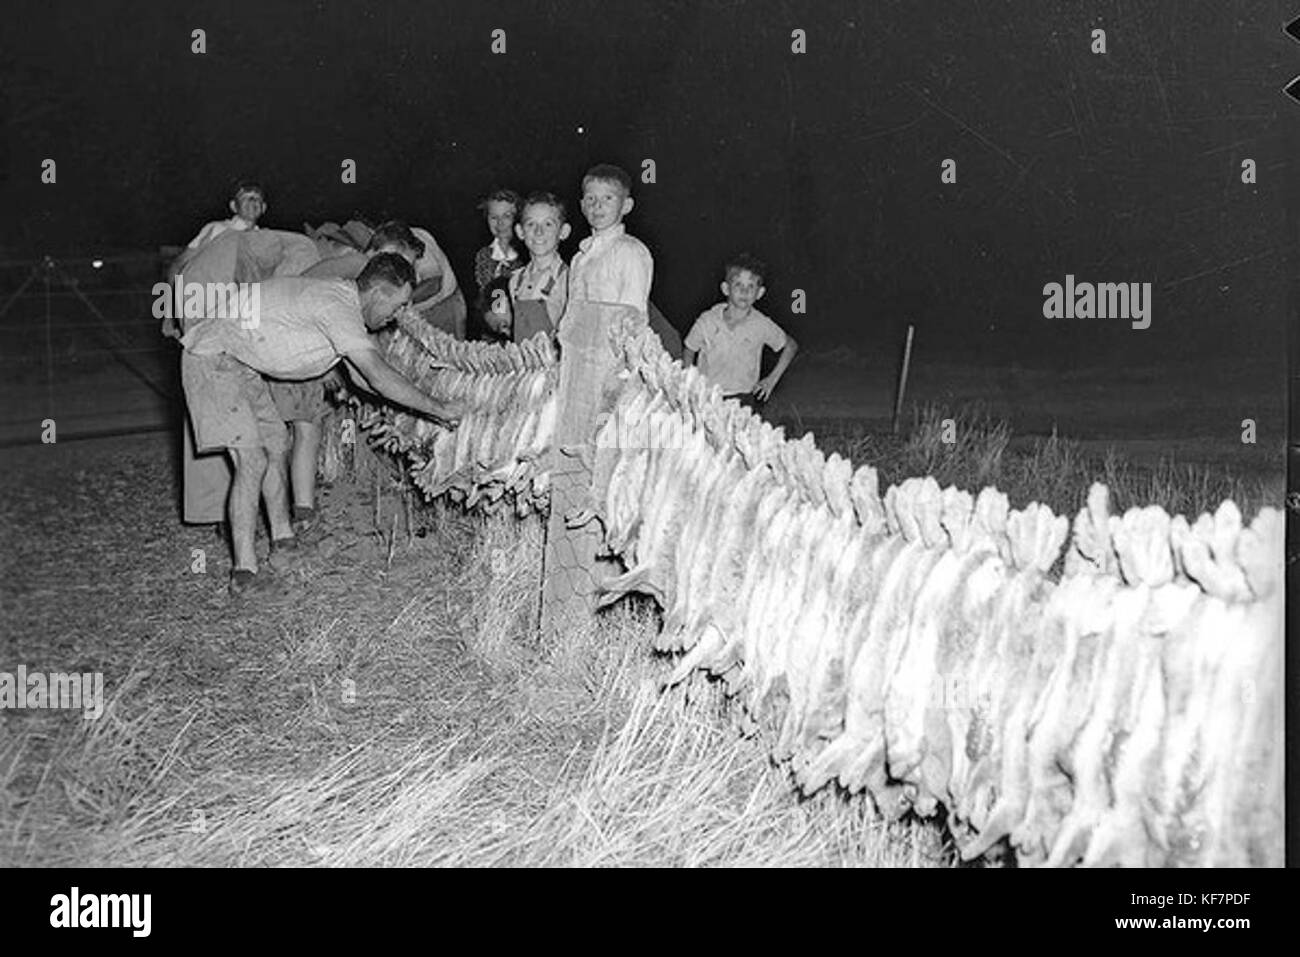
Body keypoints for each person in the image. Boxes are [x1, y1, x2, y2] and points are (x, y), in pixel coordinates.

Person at [180, 254, 459, 596]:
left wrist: (420, 413)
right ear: (378, 294)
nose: (396, 316)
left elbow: (363, 379)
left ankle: (283, 543)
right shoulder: (337, 307)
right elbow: (377, 376)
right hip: (212, 359)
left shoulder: (344, 302)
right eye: (398, 304)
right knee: (250, 461)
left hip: (241, 362)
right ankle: (245, 573)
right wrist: (439, 408)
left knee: (277, 446)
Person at [278, 221, 426, 536]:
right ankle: (296, 511)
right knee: (302, 426)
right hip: (300, 343)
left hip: (314, 341)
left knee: (311, 424)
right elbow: (307, 291)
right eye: (399, 261)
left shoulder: (362, 275)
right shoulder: (356, 266)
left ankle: (302, 506)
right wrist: (329, 362)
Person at [683, 253, 798, 412]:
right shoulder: (707, 321)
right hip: (708, 396)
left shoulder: (761, 324)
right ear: (725, 289)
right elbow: (690, 348)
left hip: (743, 400)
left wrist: (771, 381)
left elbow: (790, 346)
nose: (744, 292)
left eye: (751, 286)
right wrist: (688, 382)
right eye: (738, 285)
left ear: (759, 293)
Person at [565, 164, 653, 329]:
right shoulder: (579, 258)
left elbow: (633, 315)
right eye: (591, 198)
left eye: (608, 198)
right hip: (579, 350)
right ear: (582, 206)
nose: (597, 205)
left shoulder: (630, 251)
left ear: (626, 206)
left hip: (612, 350)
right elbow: (572, 312)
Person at [497, 191, 571, 342]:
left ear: (563, 232)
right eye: (531, 224)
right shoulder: (515, 281)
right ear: (520, 231)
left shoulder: (569, 279)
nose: (539, 232)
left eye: (548, 224)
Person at [185, 181, 267, 251]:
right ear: (234, 206)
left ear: (263, 207)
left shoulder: (267, 238)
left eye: (257, 198)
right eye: (245, 197)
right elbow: (187, 258)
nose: (252, 201)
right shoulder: (216, 229)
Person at [472, 189, 524, 293]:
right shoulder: (483, 255)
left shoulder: (527, 255)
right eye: (494, 217)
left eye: (507, 216)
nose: (500, 223)